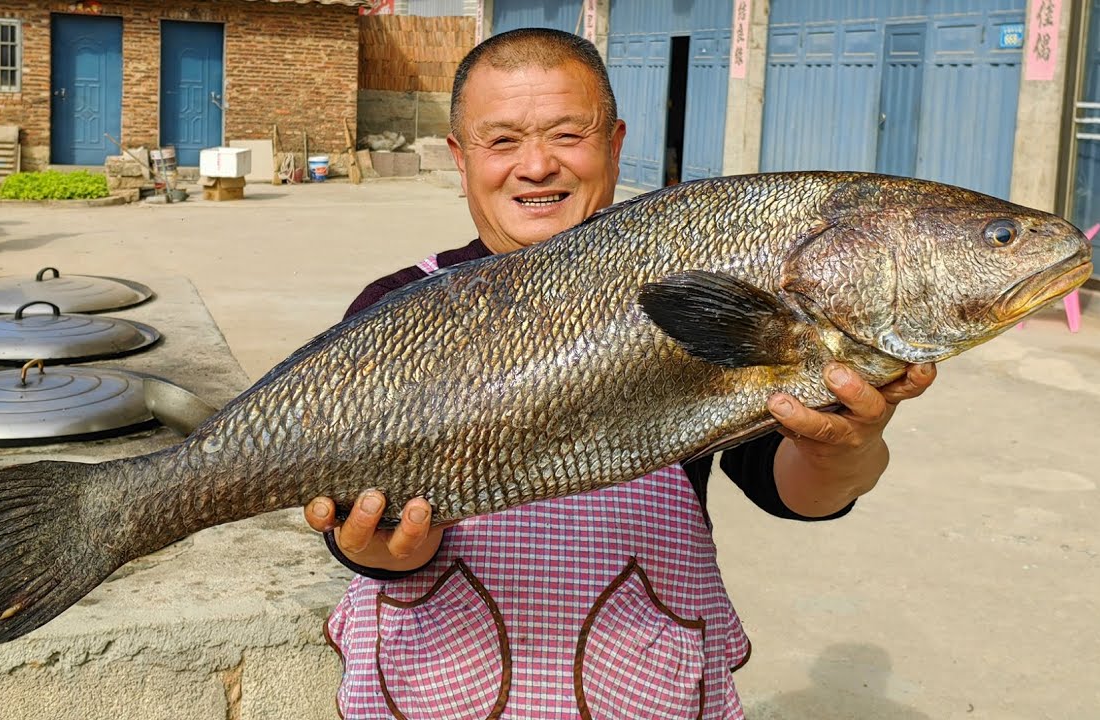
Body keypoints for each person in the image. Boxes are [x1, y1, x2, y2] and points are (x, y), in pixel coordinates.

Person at [306, 28, 936, 719]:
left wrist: (844, 451)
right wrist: (390, 549)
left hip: (639, 681)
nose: (537, 165)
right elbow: (358, 532)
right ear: (461, 157)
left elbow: (793, 491)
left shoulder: (700, 293)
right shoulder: (392, 313)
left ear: (614, 142)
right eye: (504, 141)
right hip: (437, 682)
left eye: (567, 135)